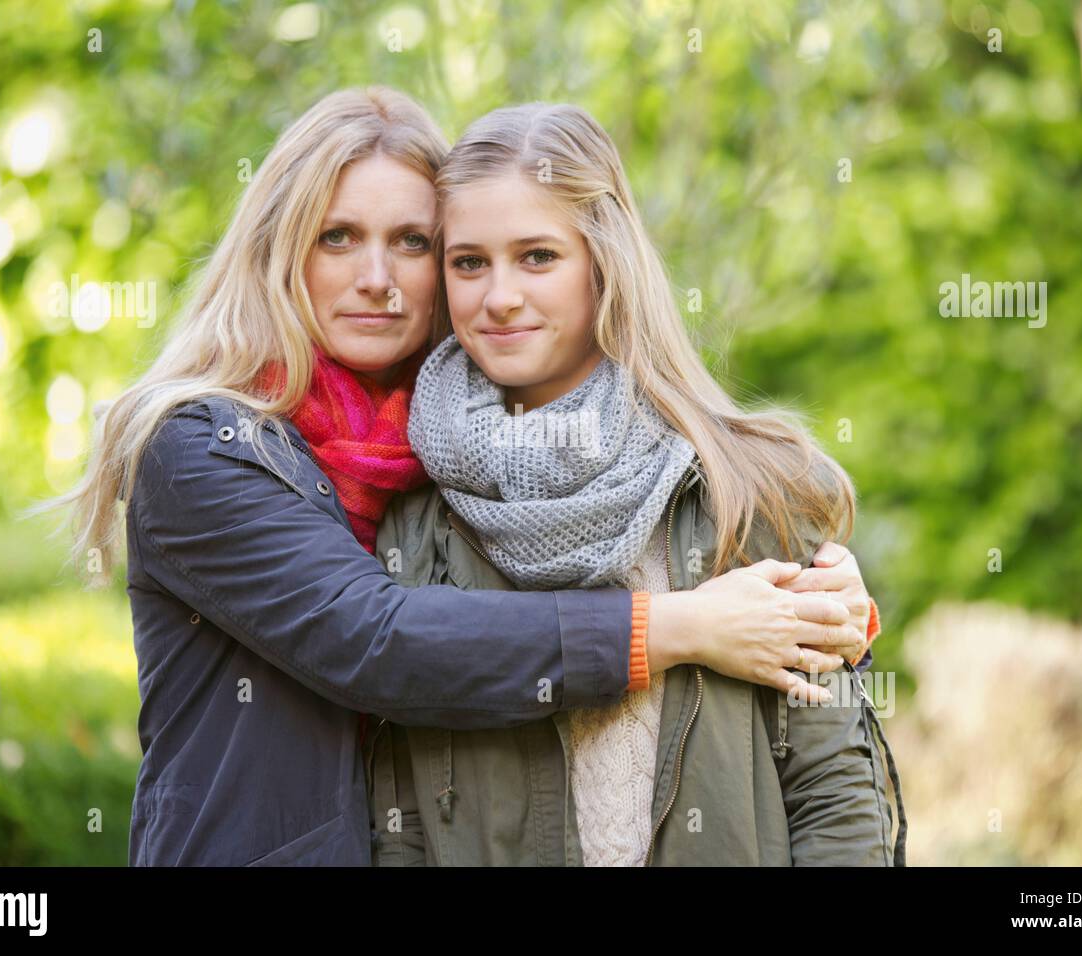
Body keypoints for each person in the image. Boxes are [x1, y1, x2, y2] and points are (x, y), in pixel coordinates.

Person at [53, 87, 873, 866]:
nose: (379, 276)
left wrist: (834, 608)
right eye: (337, 236)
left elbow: (833, 777)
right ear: (278, 249)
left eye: (412, 242)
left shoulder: (451, 458)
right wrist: (680, 626)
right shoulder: (209, 447)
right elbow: (382, 641)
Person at [370, 102, 905, 866]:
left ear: (604, 259)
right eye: (469, 262)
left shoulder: (741, 487)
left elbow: (830, 789)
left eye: (538, 256)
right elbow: (401, 820)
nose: (499, 296)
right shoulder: (415, 520)